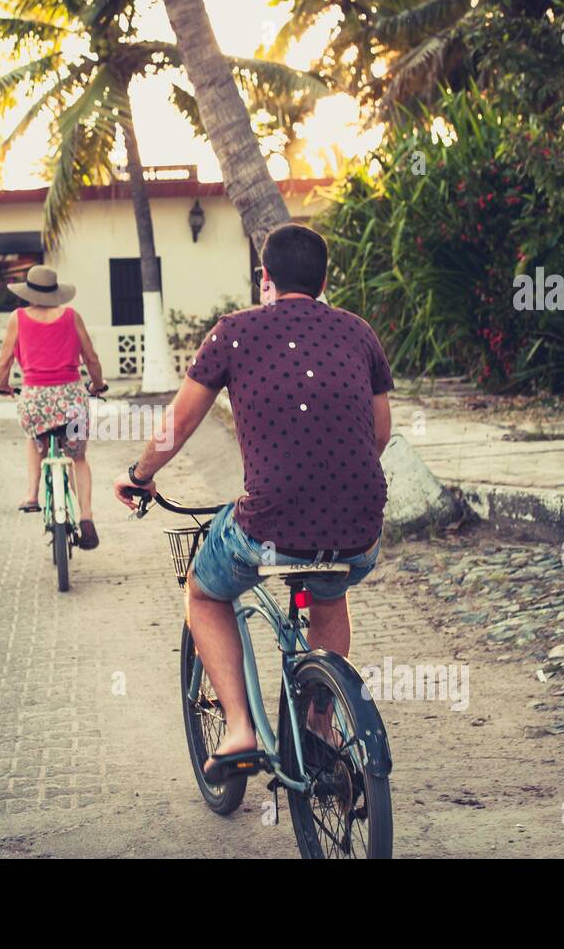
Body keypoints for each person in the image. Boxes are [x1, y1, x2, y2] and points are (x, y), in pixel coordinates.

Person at [113, 223, 394, 781]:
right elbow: (379, 433)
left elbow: (179, 425)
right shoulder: (359, 333)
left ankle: (239, 727)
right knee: (329, 592)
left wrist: (141, 475)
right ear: (323, 280)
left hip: (269, 524)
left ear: (265, 278)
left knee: (204, 592)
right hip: (359, 528)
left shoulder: (234, 332)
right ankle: (321, 724)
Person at [0, 264, 106, 550]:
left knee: (34, 440)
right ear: (55, 292)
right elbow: (91, 358)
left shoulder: (17, 318)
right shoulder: (71, 316)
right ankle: (86, 517)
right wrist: (97, 385)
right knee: (78, 458)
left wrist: (3, 385)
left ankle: (32, 494)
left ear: (29, 292)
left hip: (35, 399)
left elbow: (5, 359)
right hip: (71, 397)